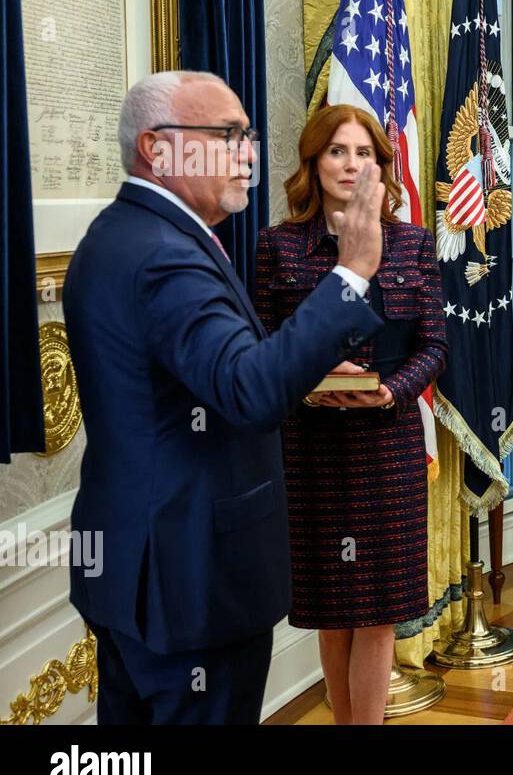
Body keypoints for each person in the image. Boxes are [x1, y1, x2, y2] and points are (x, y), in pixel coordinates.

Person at [63, 71, 385, 724]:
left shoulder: (121, 233)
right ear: (158, 149)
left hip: (137, 570)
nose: (248, 155)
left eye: (249, 136)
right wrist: (351, 273)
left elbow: (208, 378)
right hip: (191, 586)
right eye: (229, 135)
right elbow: (247, 391)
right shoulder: (162, 255)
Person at [253, 104, 448, 725]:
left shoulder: (415, 243)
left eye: (365, 153)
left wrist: (393, 390)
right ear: (314, 161)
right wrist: (303, 387)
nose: (352, 164)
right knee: (333, 608)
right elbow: (260, 343)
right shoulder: (277, 246)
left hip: (386, 448)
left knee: (379, 609)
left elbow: (436, 344)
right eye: (338, 151)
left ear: (382, 168)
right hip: (310, 448)